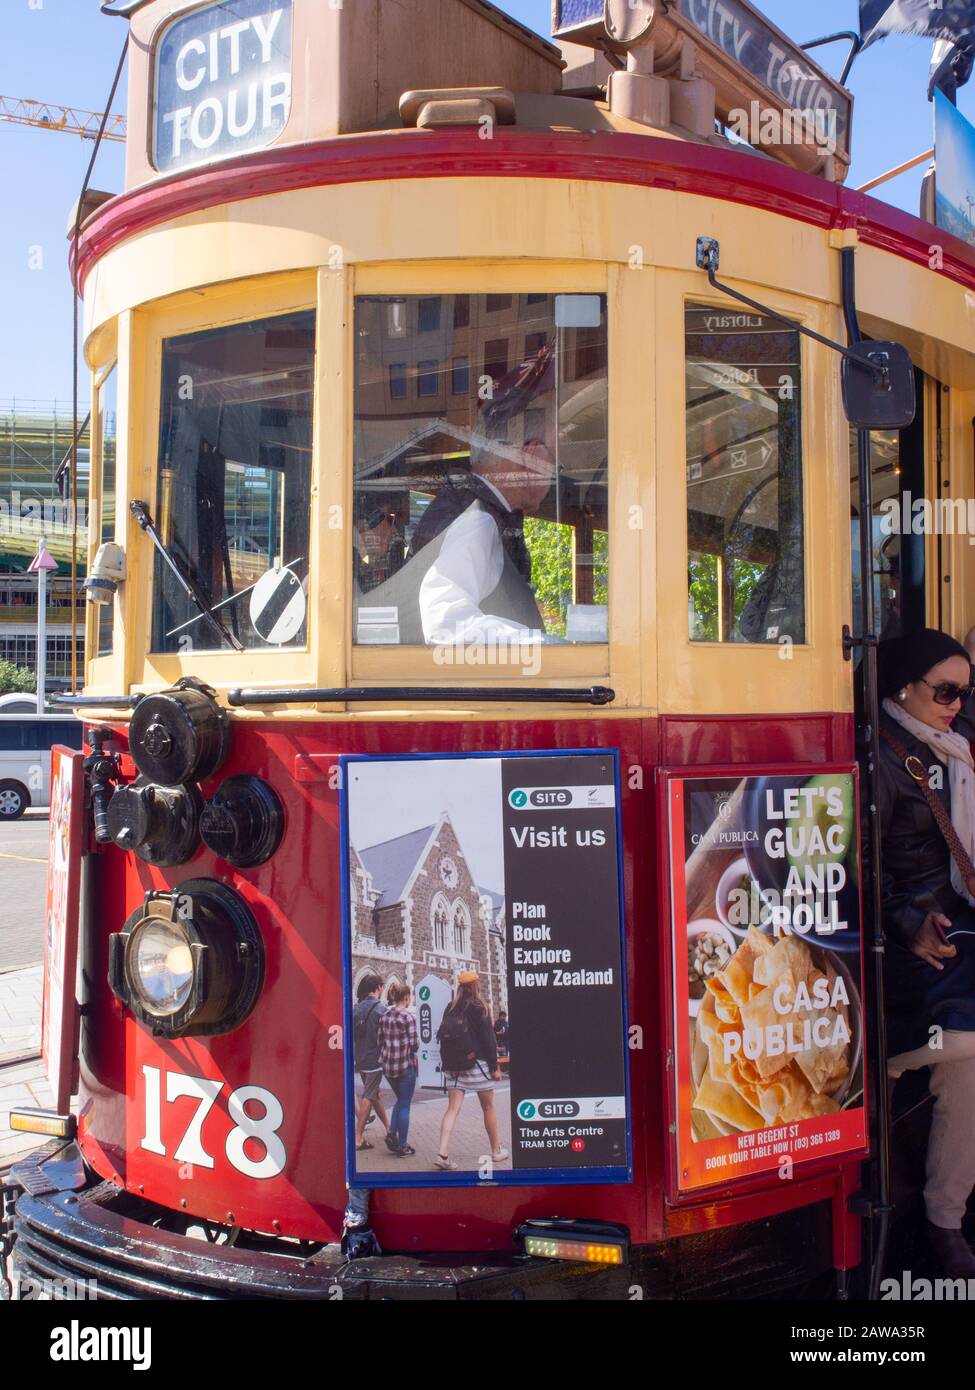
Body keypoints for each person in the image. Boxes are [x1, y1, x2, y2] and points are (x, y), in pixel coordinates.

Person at [877, 628, 975, 1277]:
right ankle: (878, 1067)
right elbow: (856, 866)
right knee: (966, 1045)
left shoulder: (952, 746)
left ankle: (945, 1217)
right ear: (904, 685)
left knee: (968, 1063)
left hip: (954, 927)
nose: (954, 704)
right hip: (910, 946)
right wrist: (908, 920)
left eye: (963, 694)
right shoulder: (882, 758)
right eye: (944, 691)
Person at [434, 972, 509, 1170]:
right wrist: (495, 1067)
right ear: (476, 986)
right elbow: (489, 1040)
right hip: (479, 1066)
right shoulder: (480, 1007)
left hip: (455, 1068)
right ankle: (496, 1150)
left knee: (452, 1109)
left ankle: (442, 1153)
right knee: (488, 1107)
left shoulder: (450, 1007)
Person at [379, 984, 419, 1158]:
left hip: (388, 1067)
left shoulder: (385, 1015)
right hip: (405, 1066)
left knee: (400, 1100)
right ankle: (402, 1146)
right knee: (404, 1104)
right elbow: (414, 1044)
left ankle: (392, 1134)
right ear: (406, 998)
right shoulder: (408, 1017)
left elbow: (379, 1040)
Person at [352, 974, 391, 1151]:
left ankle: (389, 1128)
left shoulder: (356, 1008)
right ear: (379, 988)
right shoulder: (381, 1010)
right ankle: (358, 1138)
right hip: (375, 1060)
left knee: (373, 1095)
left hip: (360, 1058)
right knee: (369, 1096)